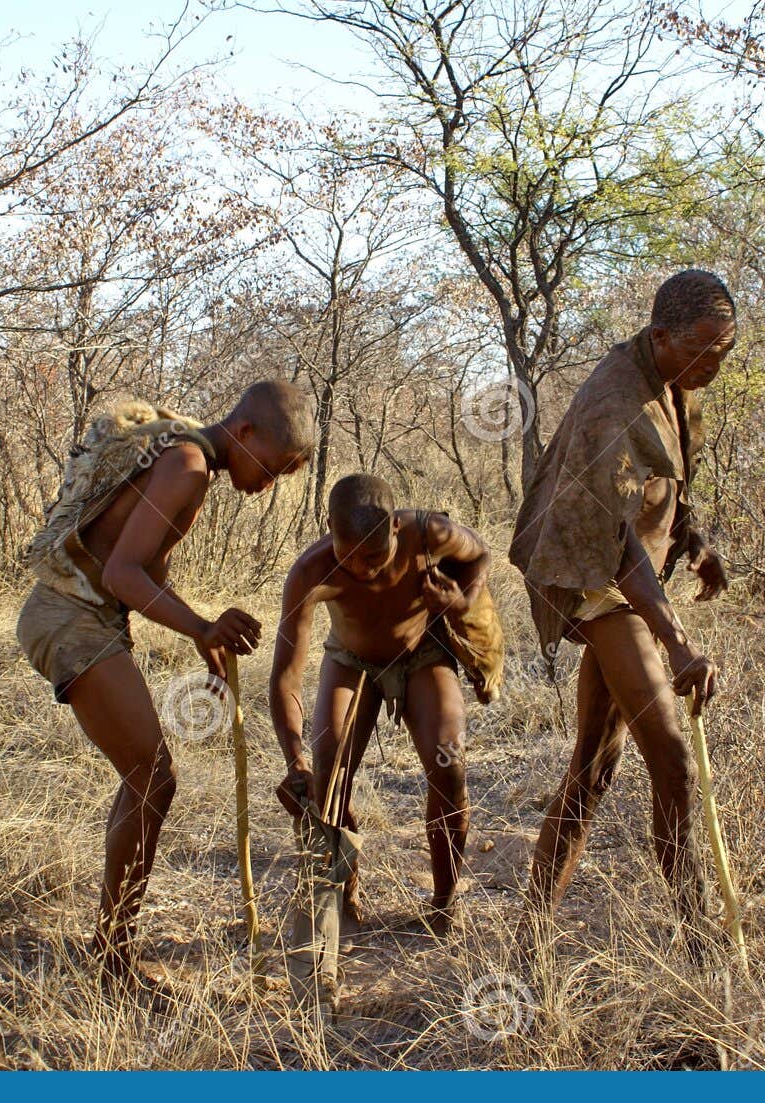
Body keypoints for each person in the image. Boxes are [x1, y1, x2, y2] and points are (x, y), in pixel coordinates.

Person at [15, 381, 315, 992]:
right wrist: (202, 624)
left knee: (147, 778)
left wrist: (198, 634)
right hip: (69, 617)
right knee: (153, 778)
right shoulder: (188, 463)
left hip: (85, 616)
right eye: (273, 467)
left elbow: (144, 567)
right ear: (247, 432)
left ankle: (112, 947)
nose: (269, 484)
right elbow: (123, 574)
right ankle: (114, 959)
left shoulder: (189, 457)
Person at [511, 269, 734, 950]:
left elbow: (664, 481)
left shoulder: (673, 378)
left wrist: (693, 541)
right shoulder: (617, 405)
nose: (713, 367)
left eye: (724, 353)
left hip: (625, 572)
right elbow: (614, 545)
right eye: (703, 353)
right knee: (671, 757)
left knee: (592, 766)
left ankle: (529, 940)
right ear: (661, 336)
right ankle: (696, 934)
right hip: (600, 579)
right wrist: (675, 641)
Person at [270, 473, 492, 935]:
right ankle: (341, 903)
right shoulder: (311, 573)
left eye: (372, 556)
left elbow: (481, 556)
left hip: (423, 652)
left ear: (395, 527)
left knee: (449, 763)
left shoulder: (429, 534)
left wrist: (459, 601)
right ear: (328, 528)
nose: (361, 569)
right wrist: (296, 762)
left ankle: (445, 901)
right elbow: (286, 678)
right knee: (328, 776)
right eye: (346, 555)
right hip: (352, 661)